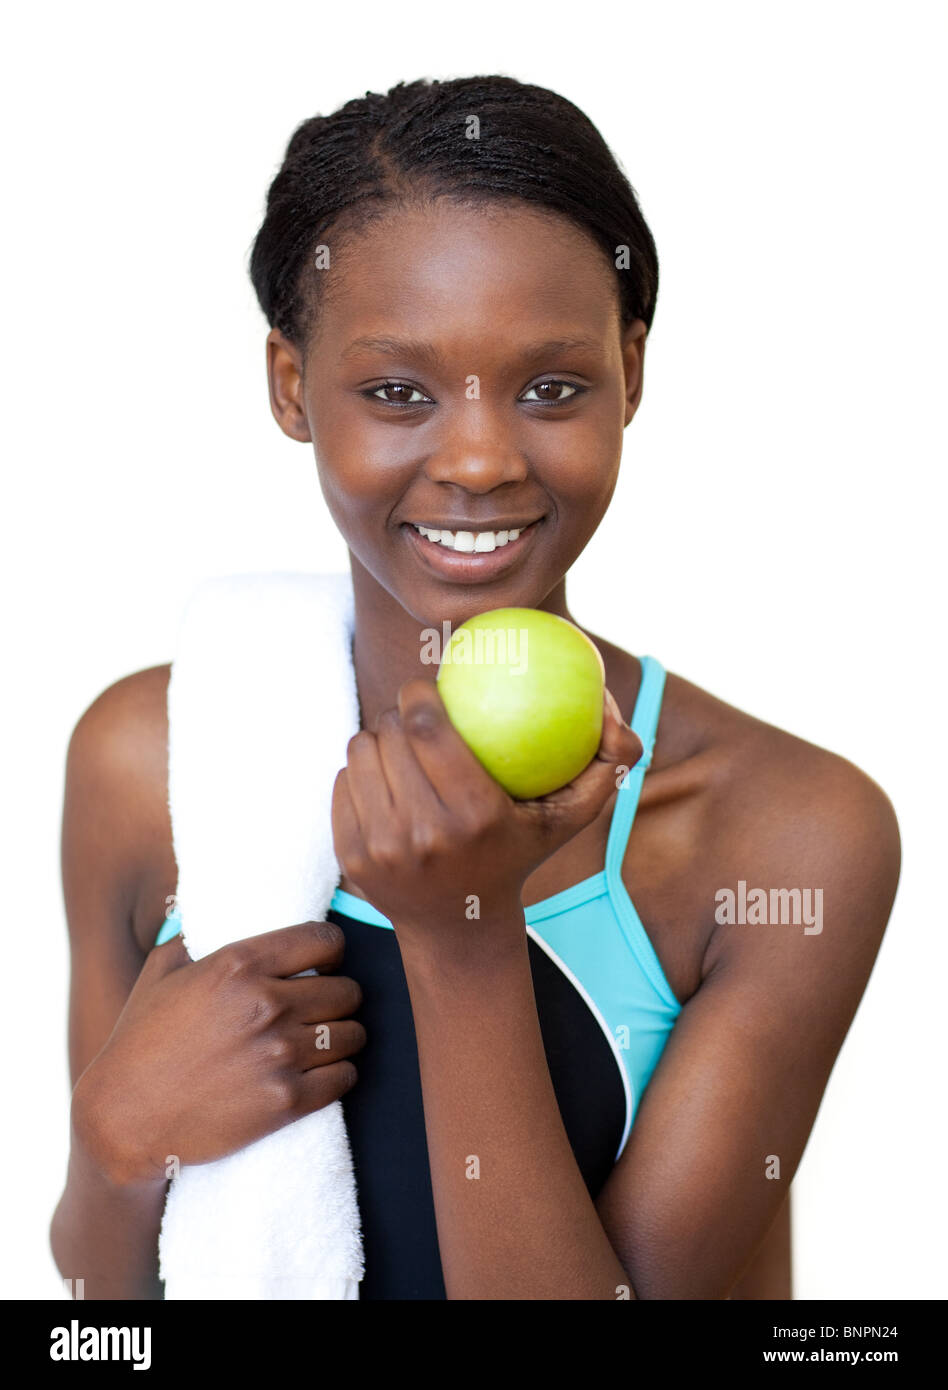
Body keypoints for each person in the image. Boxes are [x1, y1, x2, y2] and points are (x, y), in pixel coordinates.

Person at [49, 74, 900, 1300]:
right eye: (397, 391)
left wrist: (464, 941)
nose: (482, 459)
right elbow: (100, 1325)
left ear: (632, 373)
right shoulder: (155, 759)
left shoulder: (787, 834)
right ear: (291, 386)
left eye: (552, 386)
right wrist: (117, 1149)